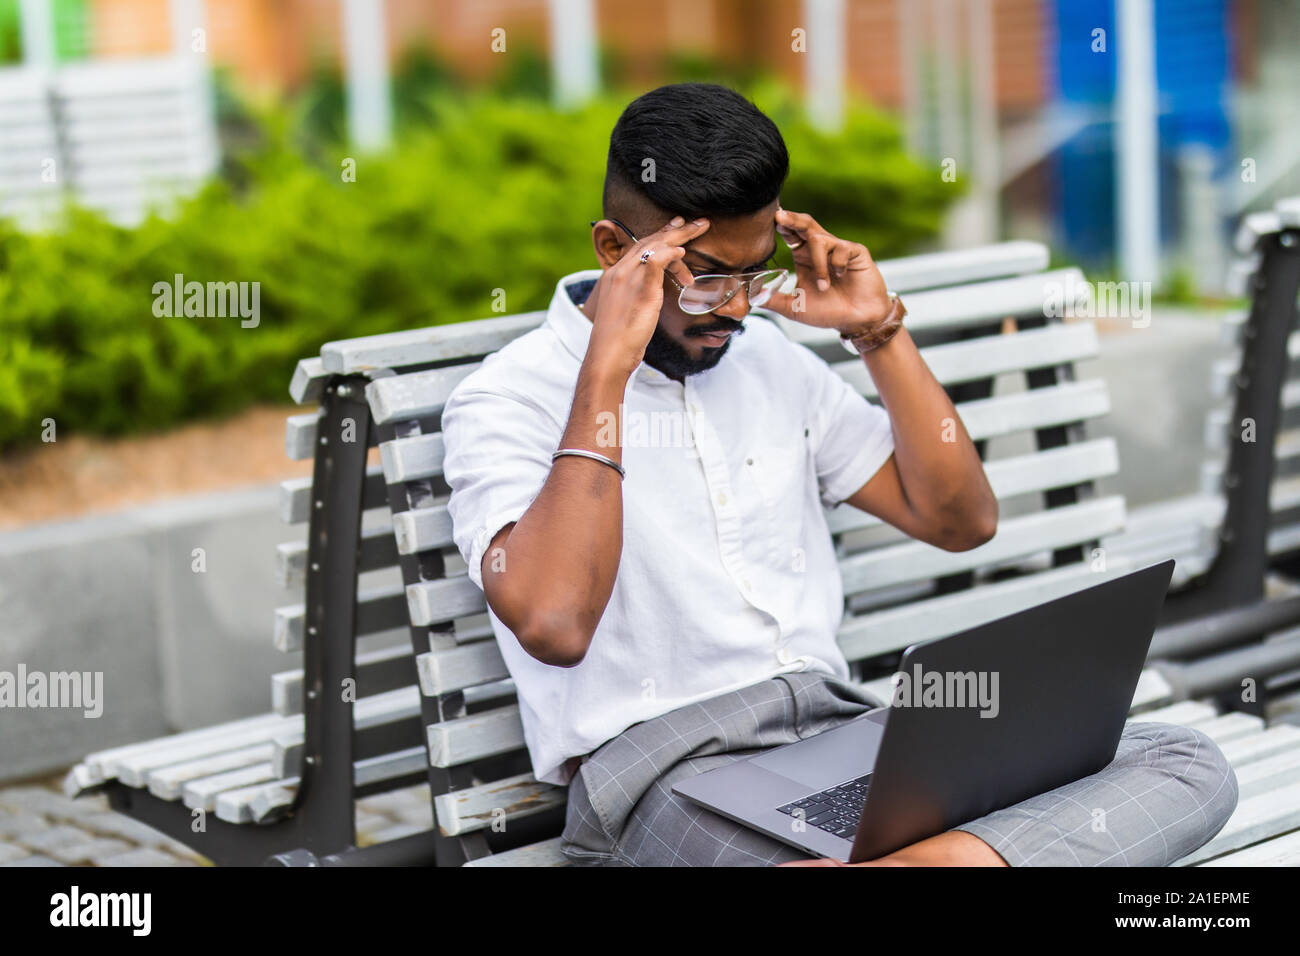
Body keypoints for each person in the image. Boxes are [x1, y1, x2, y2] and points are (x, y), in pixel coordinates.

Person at [440, 83, 1237, 866]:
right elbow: (554, 622)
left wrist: (878, 332)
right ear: (616, 251)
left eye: (758, 276)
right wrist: (607, 372)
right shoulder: (508, 399)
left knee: (1181, 761)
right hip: (664, 779)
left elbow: (959, 521)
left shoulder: (771, 365)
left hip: (845, 737)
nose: (741, 311)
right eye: (712, 277)